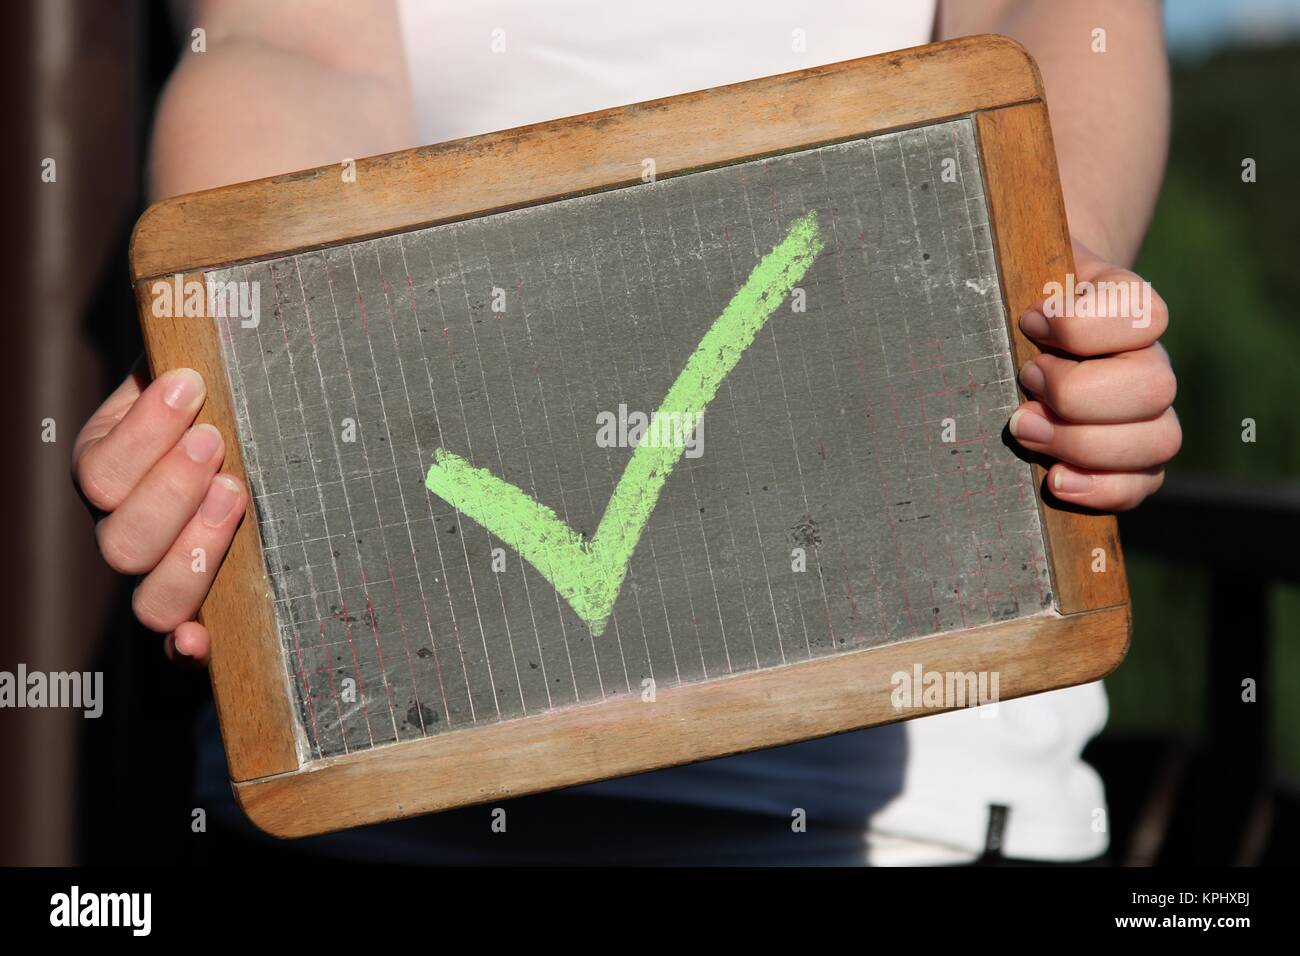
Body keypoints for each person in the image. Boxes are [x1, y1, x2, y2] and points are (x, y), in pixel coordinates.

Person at [73, 0, 1178, 864]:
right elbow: (295, 48)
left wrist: (1050, 287)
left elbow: (1058, 12)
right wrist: (239, 364)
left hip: (914, 799)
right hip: (379, 778)